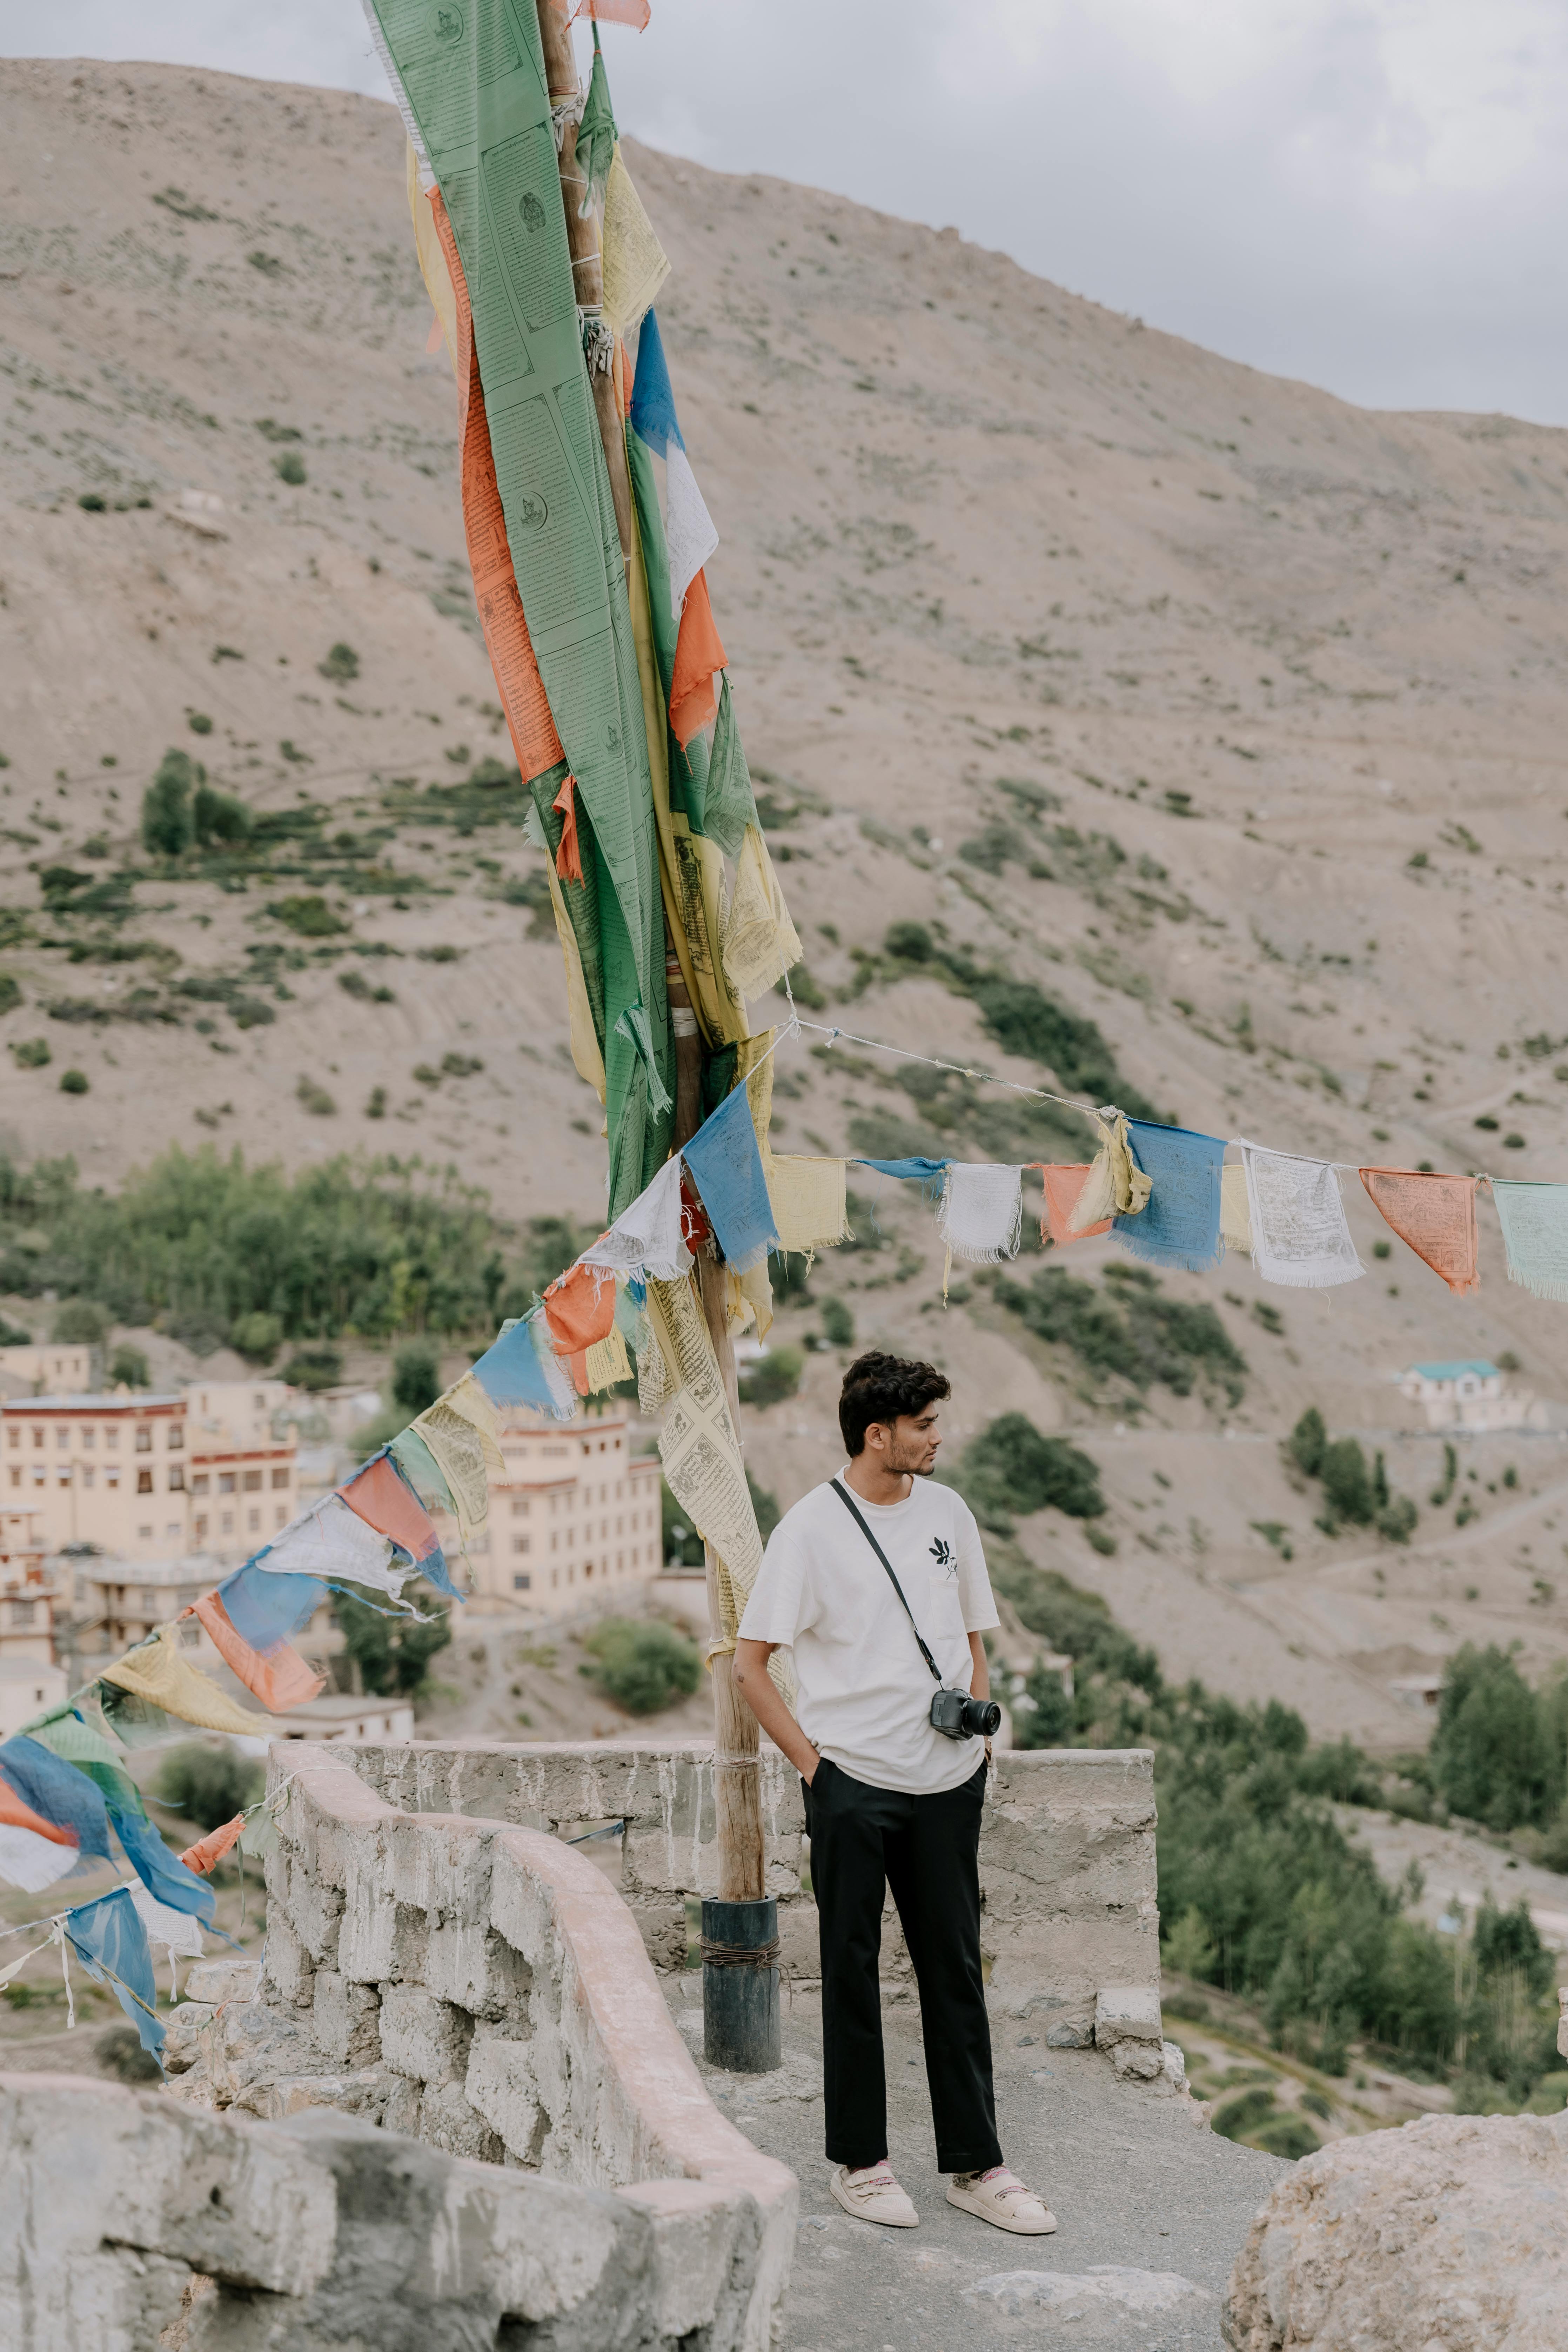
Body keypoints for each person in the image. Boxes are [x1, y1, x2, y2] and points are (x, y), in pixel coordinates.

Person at [733, 1350, 1056, 2236]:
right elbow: (751, 1666)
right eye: (923, 1425)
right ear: (878, 1434)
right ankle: (862, 2164)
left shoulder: (949, 1511)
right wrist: (818, 1772)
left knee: (955, 1971)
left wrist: (979, 1742)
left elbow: (972, 1634)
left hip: (948, 1781)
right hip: (855, 1784)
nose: (938, 1437)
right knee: (852, 1972)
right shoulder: (808, 1529)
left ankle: (978, 2165)